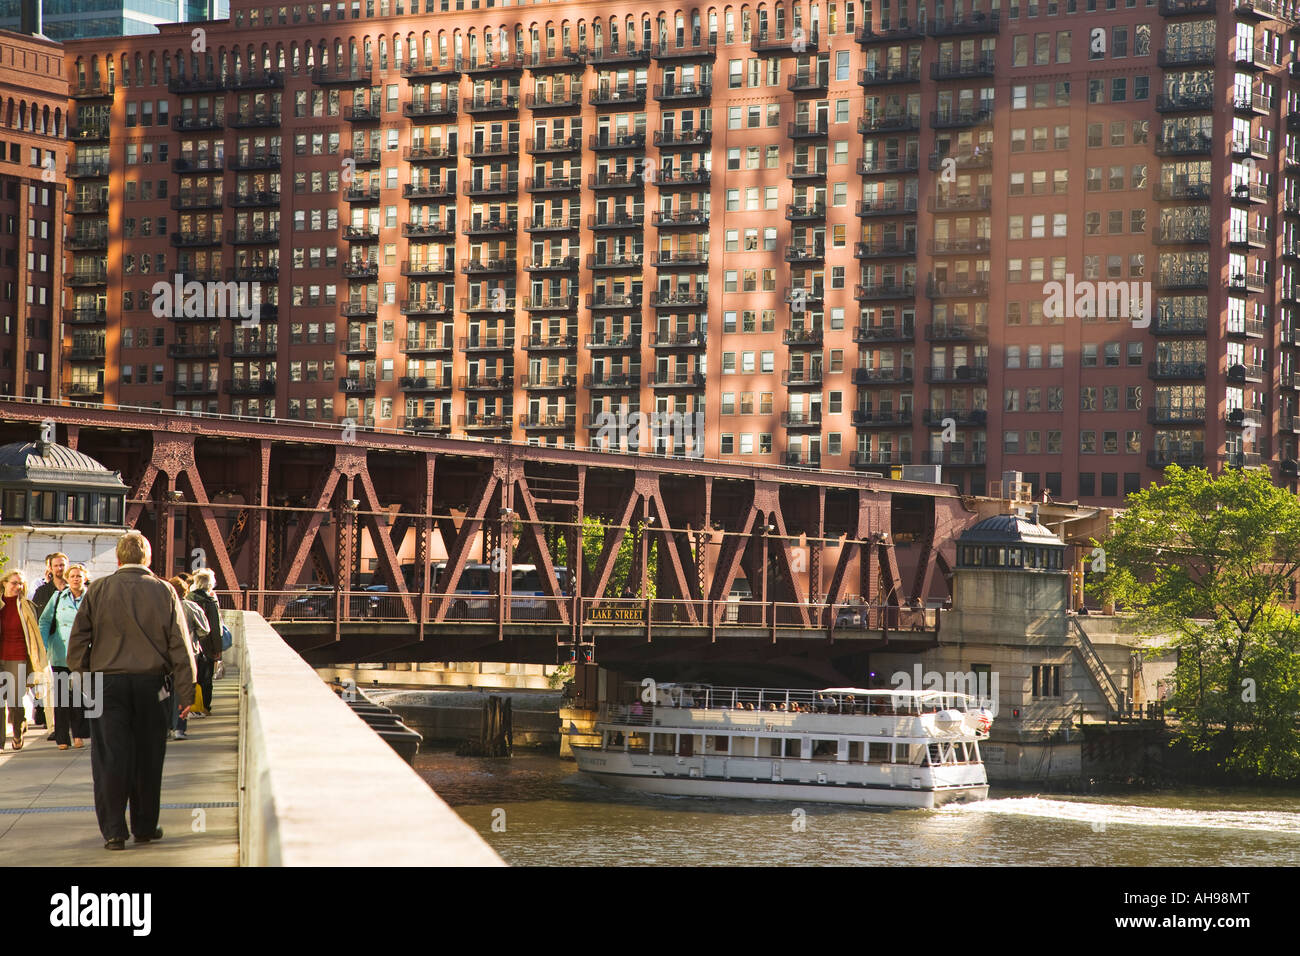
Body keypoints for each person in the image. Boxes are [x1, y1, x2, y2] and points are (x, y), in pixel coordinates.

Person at [67, 531, 196, 851]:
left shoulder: (97, 590)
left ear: (119, 559)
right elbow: (180, 646)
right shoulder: (165, 591)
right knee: (149, 758)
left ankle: (114, 831)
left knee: (110, 757)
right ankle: (145, 826)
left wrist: (85, 679)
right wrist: (188, 693)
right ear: (147, 560)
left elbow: (77, 642)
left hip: (106, 686)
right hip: (151, 686)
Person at [37, 563, 92, 749]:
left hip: (82, 653)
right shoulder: (58, 596)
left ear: (85, 578)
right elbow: (44, 621)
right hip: (60, 652)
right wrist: (43, 644)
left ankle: (78, 735)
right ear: (67, 579)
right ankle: (62, 737)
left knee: (78, 695)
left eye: (79, 576)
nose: (76, 579)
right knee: (61, 697)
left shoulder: (91, 597)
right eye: (73, 576)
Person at [0, 570, 51, 749]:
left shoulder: (27, 606)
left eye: (21, 583)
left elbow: (34, 635)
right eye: (14, 583)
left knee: (14, 700)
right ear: (4, 583)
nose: (18, 587)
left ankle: (17, 730)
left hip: (18, 656)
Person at [187, 569, 223, 716]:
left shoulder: (188, 598)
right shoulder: (210, 601)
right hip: (207, 645)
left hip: (191, 643)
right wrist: (218, 648)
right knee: (206, 677)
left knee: (192, 676)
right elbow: (215, 627)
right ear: (210, 584)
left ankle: (192, 706)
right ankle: (205, 707)